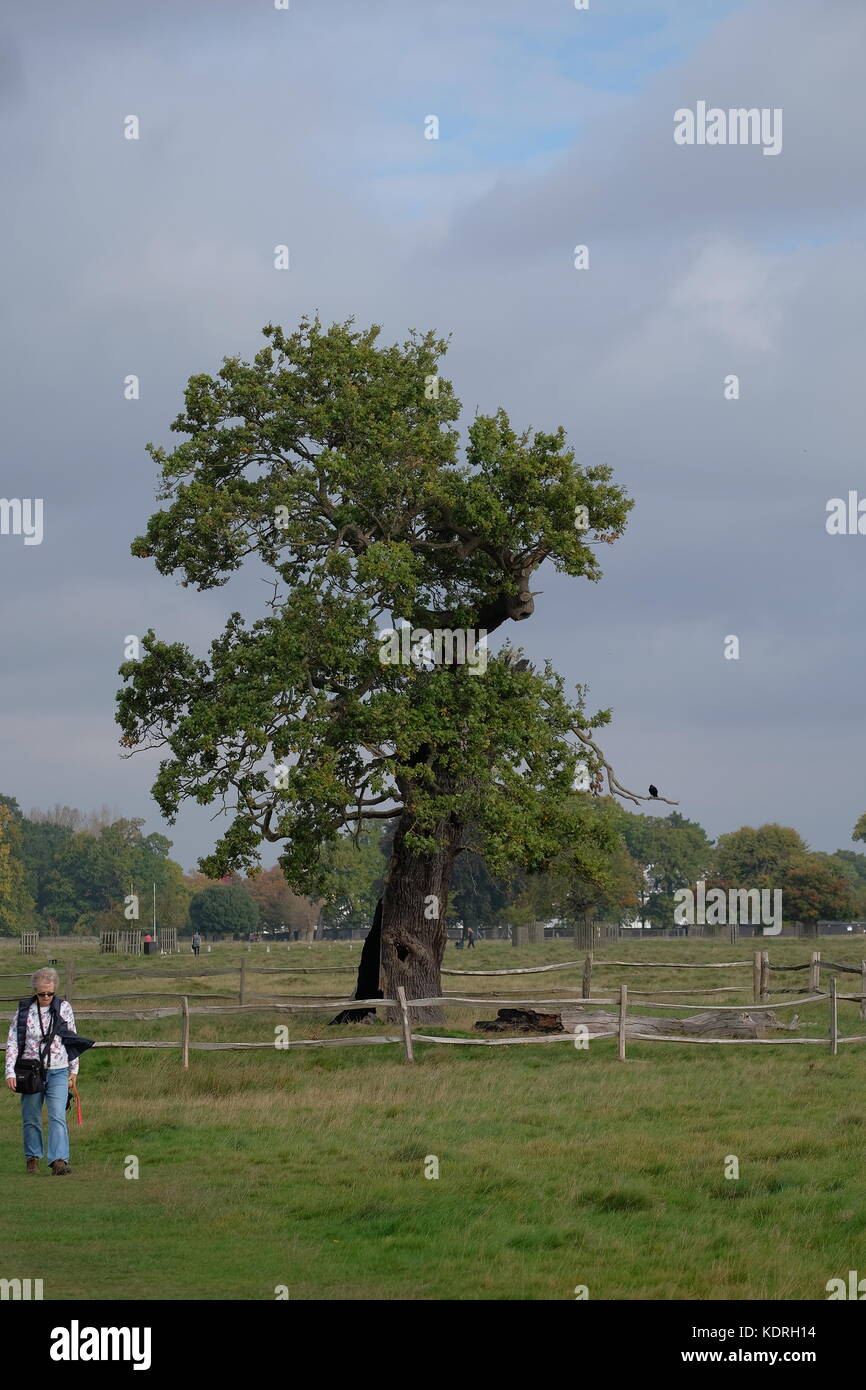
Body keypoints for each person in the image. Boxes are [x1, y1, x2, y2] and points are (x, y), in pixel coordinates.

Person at [5, 968, 79, 1175]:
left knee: (57, 1116)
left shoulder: (64, 1008)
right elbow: (12, 1042)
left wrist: (74, 1070)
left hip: (58, 1070)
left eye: (50, 993)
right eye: (41, 993)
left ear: (55, 990)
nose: (46, 997)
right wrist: (10, 1072)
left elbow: (71, 1038)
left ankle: (58, 1160)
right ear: (34, 991)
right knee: (31, 1117)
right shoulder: (24, 1011)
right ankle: (32, 1158)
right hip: (30, 1071)